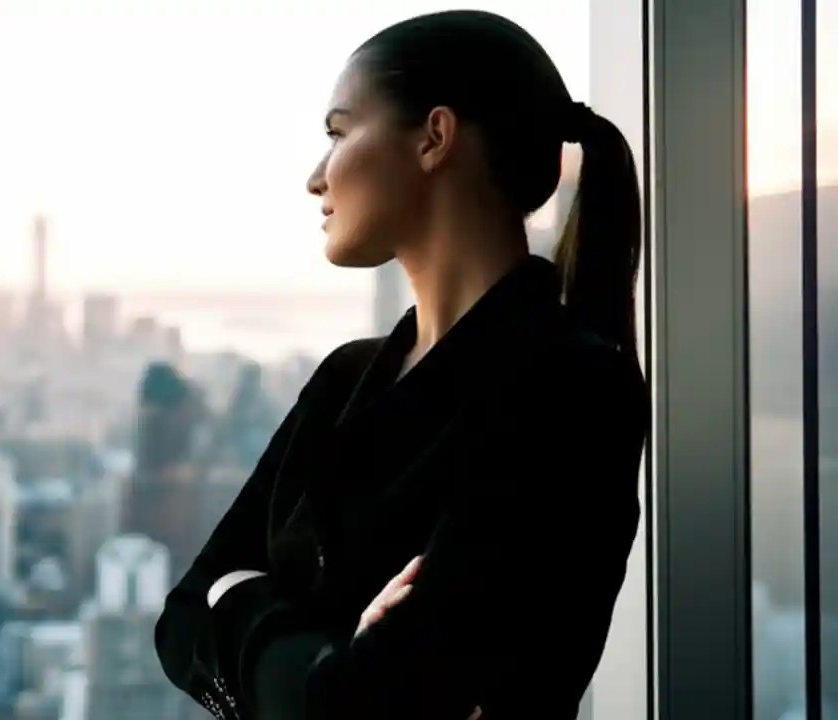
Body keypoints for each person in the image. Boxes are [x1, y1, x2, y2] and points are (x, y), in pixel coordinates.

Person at [154, 9, 648, 720]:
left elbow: (373, 699)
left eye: (338, 131)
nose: (315, 176)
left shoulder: (572, 387)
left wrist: (240, 603)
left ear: (434, 138)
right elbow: (178, 620)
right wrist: (326, 654)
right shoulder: (345, 377)